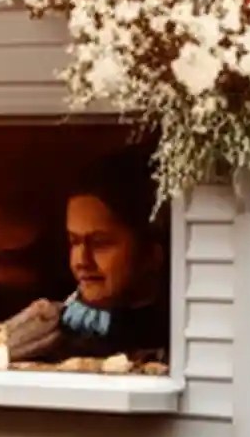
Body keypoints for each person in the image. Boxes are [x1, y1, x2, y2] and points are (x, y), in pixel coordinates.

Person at [57, 145, 170, 359]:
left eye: (100, 243)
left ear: (151, 253)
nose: (81, 261)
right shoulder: (66, 324)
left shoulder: (171, 339)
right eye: (74, 241)